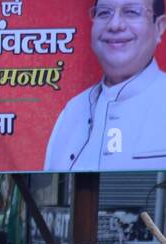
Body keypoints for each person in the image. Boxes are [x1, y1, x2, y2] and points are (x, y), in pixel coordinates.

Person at [44, 1, 166, 171]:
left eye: (131, 12)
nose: (115, 25)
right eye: (104, 13)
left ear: (159, 26)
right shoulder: (72, 112)